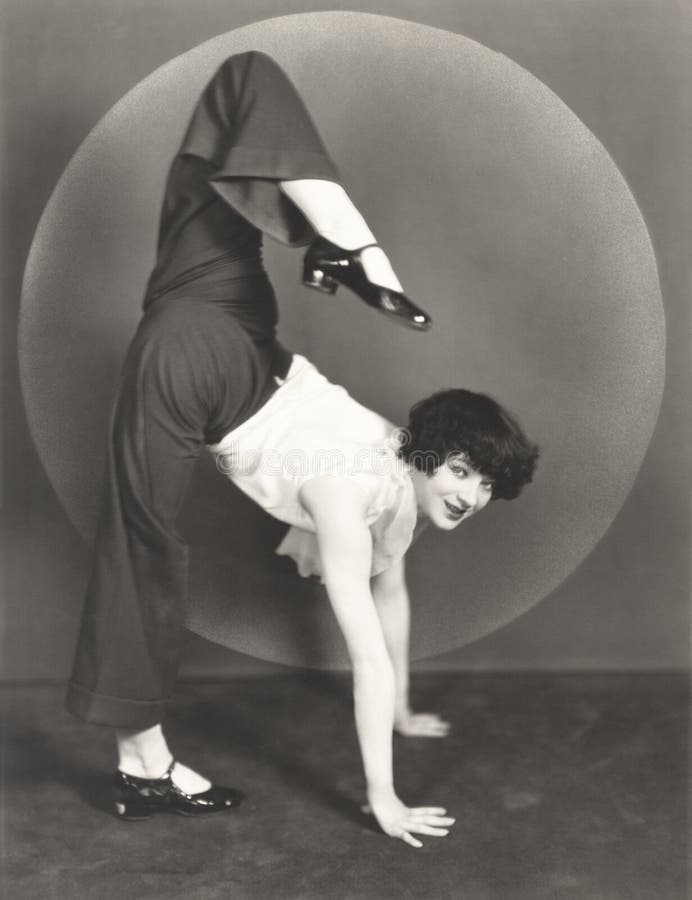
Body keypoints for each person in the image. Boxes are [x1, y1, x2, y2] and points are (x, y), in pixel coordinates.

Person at [66, 50, 538, 848]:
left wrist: (404, 709)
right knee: (243, 79)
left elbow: (393, 601)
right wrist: (384, 797)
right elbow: (367, 655)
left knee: (237, 100)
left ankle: (344, 248)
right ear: (430, 456)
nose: (469, 494)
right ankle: (357, 249)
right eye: (463, 471)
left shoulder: (405, 483)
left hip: (220, 317)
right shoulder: (356, 506)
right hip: (214, 355)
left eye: (485, 486)